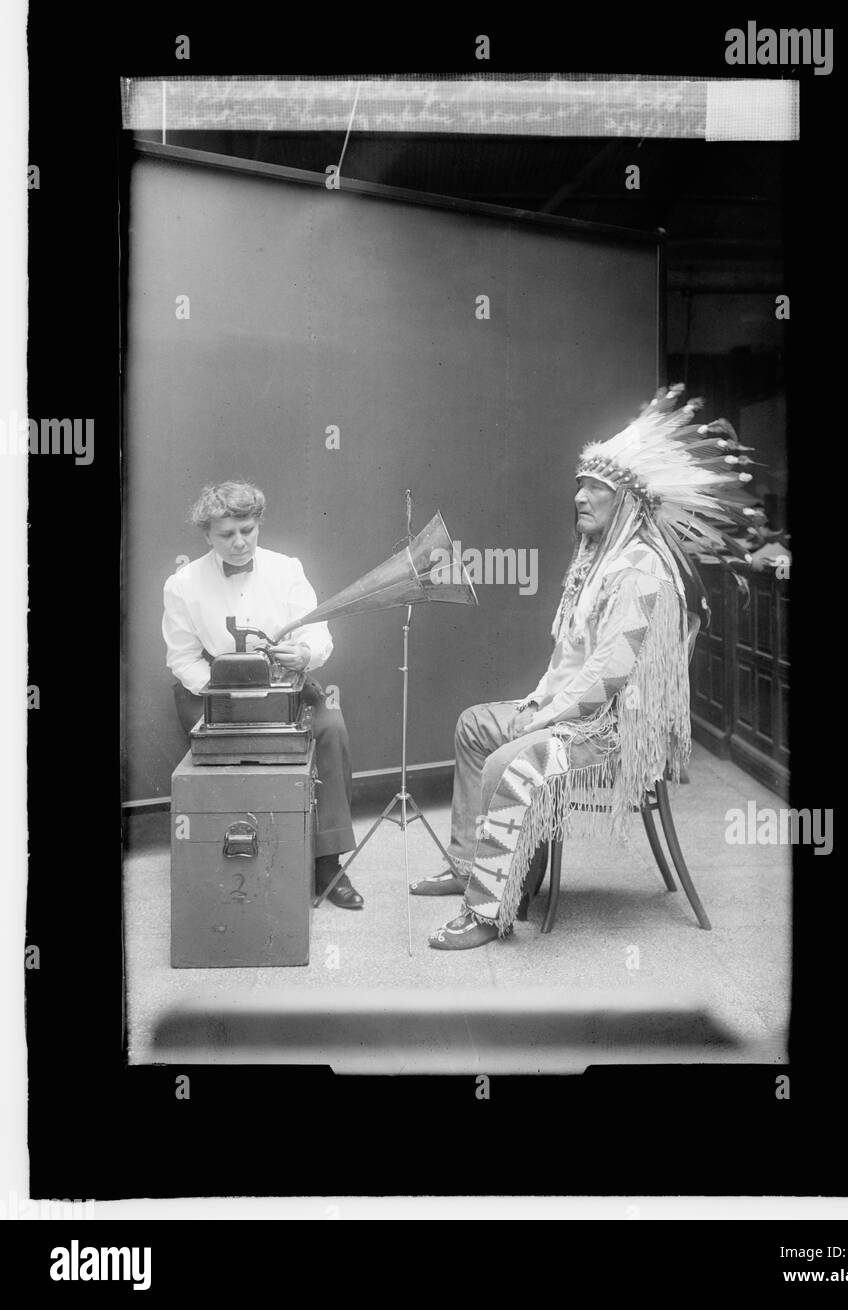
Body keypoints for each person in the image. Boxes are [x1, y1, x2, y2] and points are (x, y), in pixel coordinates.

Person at [410, 385, 757, 950]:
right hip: (574, 714)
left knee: (510, 760)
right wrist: (537, 702)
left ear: (630, 503)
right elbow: (570, 654)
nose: (580, 496)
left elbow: (610, 676)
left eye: (597, 488)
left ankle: (487, 911)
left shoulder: (642, 570)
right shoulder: (596, 561)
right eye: (580, 485)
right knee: (476, 724)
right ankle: (469, 866)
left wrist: (544, 719)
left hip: (615, 731)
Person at [162, 480, 363, 909]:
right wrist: (224, 688)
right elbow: (181, 658)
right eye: (226, 535)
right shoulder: (181, 584)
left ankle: (327, 861)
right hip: (214, 691)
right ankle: (240, 857)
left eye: (248, 531)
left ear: (258, 525)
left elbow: (318, 634)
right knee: (231, 745)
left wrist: (304, 652)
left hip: (282, 681)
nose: (239, 543)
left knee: (330, 728)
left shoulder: (287, 569)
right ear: (206, 536)